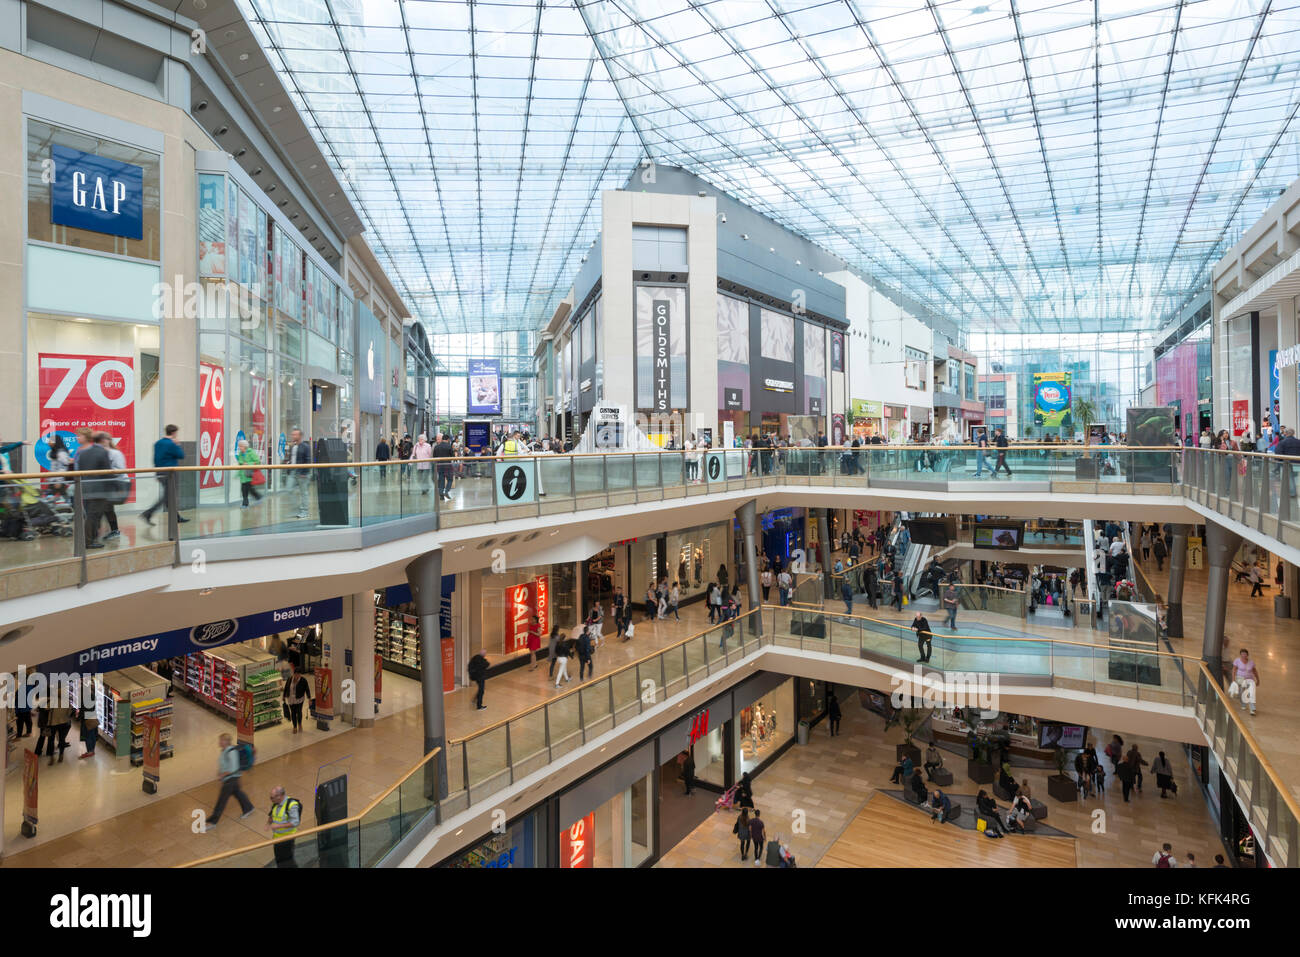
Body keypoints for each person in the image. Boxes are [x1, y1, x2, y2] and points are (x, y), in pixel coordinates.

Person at [140, 424, 189, 526]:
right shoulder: (172, 443)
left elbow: (155, 458)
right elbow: (181, 455)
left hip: (160, 471)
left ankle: (176, 517)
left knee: (169, 495)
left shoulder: (157, 443)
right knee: (168, 496)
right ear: (174, 433)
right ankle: (148, 513)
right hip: (171, 472)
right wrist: (177, 444)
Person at [203, 733, 255, 830]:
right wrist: (220, 772)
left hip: (231, 779)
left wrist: (223, 774)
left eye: (221, 740)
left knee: (221, 800)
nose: (219, 742)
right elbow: (224, 763)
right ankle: (249, 808)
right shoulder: (224, 750)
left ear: (226, 742)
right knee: (238, 793)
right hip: (231, 779)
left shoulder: (231, 752)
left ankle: (213, 822)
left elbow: (233, 768)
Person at [73, 432, 113, 550]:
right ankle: (88, 542)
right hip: (99, 489)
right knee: (93, 516)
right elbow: (107, 471)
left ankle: (92, 538)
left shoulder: (82, 453)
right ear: (102, 440)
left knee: (91, 515)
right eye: (107, 439)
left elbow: (79, 470)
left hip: (85, 487)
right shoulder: (103, 452)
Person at [281, 427, 313, 518]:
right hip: (293, 472)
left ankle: (304, 511)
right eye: (292, 434)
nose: (293, 436)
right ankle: (296, 510)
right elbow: (292, 459)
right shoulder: (293, 446)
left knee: (304, 493)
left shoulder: (305, 446)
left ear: (300, 436)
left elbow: (308, 460)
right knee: (288, 490)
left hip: (302, 473)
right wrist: (288, 463)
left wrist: (305, 472)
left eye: (295, 434)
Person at [266, 785, 303, 867]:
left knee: (287, 861)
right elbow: (272, 814)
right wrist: (268, 823)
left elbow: (295, 822)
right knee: (279, 860)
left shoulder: (291, 805)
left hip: (287, 839)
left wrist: (278, 826)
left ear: (279, 796)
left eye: (272, 798)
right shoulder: (275, 803)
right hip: (277, 838)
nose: (271, 800)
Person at [282, 664, 312, 733]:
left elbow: (307, 689)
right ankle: (295, 726)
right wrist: (284, 696)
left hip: (299, 699)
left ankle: (300, 724)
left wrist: (309, 698)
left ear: (300, 674)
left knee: (299, 712)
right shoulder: (290, 679)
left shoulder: (303, 680)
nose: (296, 676)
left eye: (298, 674)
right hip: (290, 699)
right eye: (295, 674)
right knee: (293, 713)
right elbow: (286, 687)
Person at [235, 439, 263, 508]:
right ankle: (245, 504)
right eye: (239, 446)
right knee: (244, 490)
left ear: (244, 446)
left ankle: (258, 497)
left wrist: (247, 464)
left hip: (250, 474)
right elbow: (240, 461)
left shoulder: (251, 452)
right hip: (243, 475)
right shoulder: (241, 453)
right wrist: (242, 464)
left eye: (240, 446)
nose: (239, 448)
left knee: (250, 489)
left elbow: (257, 461)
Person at [1231, 648, 1260, 715]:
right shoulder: (1237, 661)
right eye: (1242, 654)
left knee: (1251, 693)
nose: (1244, 655)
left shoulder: (1251, 662)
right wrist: (1233, 680)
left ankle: (1252, 708)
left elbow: (1255, 671)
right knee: (1242, 692)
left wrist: (1258, 680)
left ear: (1247, 655)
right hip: (1240, 679)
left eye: (1245, 654)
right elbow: (1234, 670)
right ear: (1240, 655)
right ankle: (1243, 703)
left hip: (1250, 680)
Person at [432, 432, 455, 500]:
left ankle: (441, 494)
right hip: (448, 466)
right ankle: (446, 491)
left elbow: (434, 457)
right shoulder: (449, 446)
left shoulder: (436, 446)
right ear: (447, 439)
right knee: (450, 479)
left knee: (441, 480)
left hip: (439, 466)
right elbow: (452, 456)